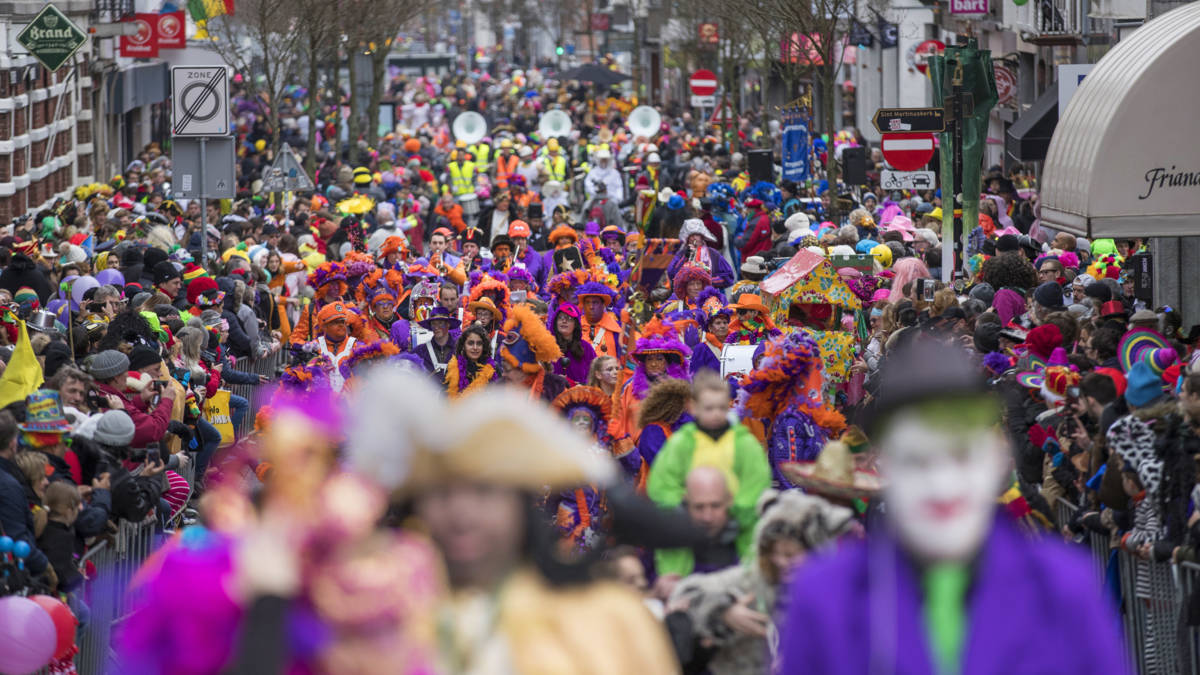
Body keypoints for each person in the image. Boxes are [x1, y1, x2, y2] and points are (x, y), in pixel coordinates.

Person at [779, 341, 1129, 674]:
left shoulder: (1062, 587)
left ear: (993, 462)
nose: (941, 485)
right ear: (886, 468)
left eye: (961, 457)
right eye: (916, 461)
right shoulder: (825, 596)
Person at [667, 490, 855, 674]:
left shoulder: (841, 596)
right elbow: (685, 593)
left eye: (790, 555)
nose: (780, 561)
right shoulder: (752, 582)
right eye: (772, 552)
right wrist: (722, 612)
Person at [647, 371, 772, 580]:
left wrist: (738, 514)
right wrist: (680, 510)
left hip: (736, 534)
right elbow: (662, 483)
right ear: (693, 407)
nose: (716, 414)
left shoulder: (744, 443)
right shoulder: (682, 442)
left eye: (722, 408)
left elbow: (757, 483)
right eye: (709, 408)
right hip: (687, 532)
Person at [445, 323, 496, 397]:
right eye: (470, 343)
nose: (475, 347)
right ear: (463, 346)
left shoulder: (493, 368)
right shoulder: (454, 367)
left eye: (479, 343)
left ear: (484, 346)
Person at [550, 303, 596, 385]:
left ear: (575, 324)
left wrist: (576, 384)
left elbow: (595, 375)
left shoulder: (586, 347)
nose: (564, 321)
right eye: (560, 318)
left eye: (569, 318)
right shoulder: (548, 346)